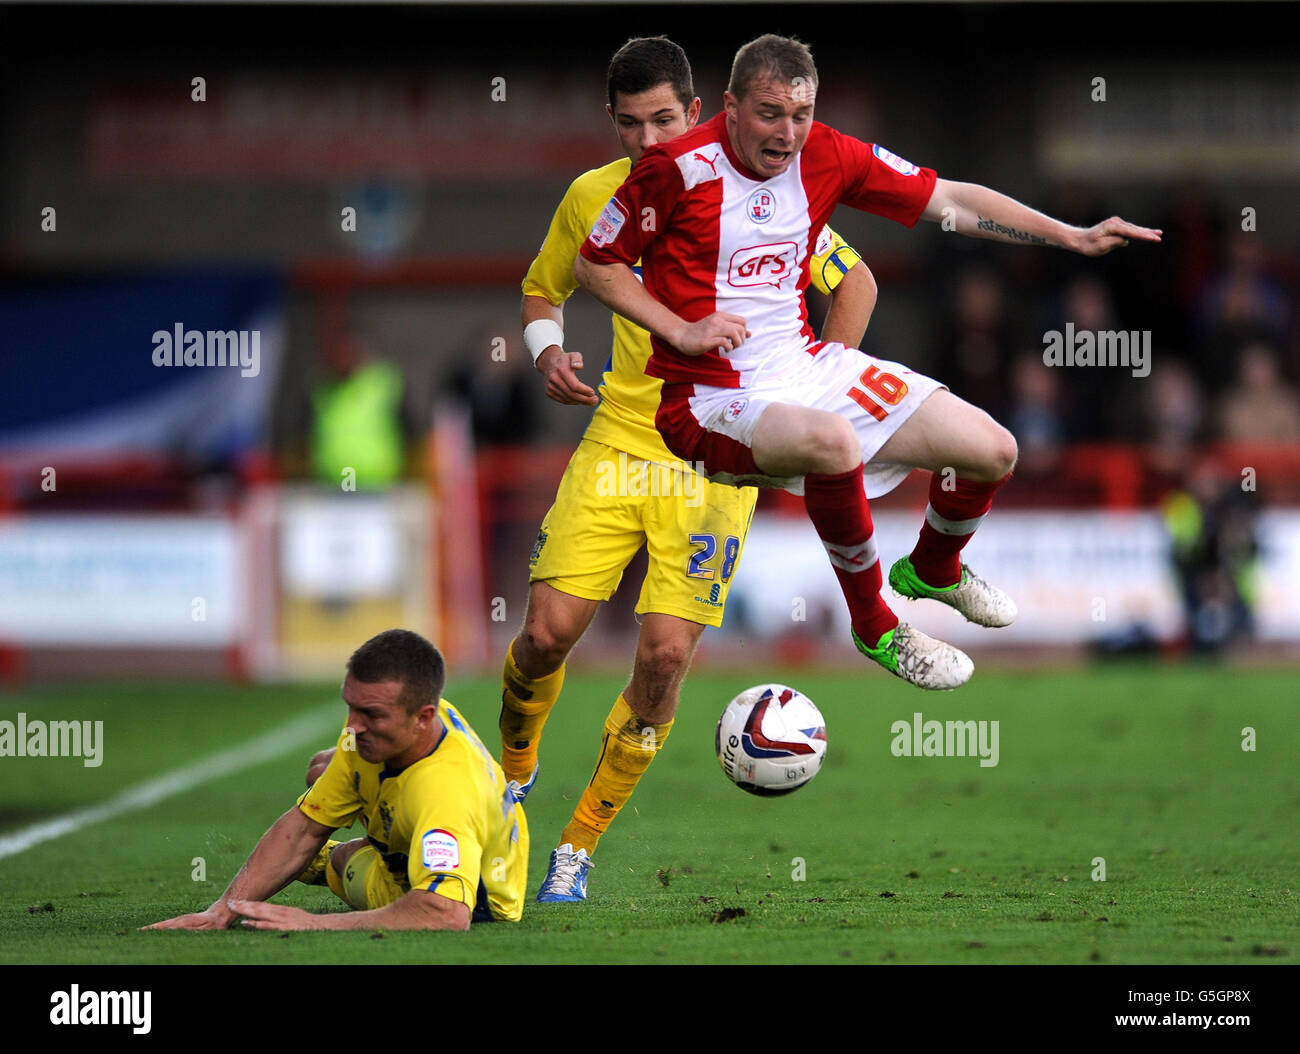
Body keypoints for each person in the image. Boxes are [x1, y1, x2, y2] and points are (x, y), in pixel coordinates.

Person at [576, 33, 1162, 691]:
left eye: (801, 115)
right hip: (706, 397)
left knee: (993, 449)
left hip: (804, 364)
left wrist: (1070, 235)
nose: (788, 132)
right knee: (834, 442)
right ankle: (876, 624)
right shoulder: (676, 168)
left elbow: (951, 201)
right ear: (730, 107)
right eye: (771, 114)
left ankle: (934, 567)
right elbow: (594, 264)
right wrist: (679, 331)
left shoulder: (826, 152)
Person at [506, 36, 879, 903]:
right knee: (545, 635)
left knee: (665, 659)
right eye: (631, 124)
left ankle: (578, 847)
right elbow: (542, 287)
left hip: (711, 455)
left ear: (697, 110)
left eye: (664, 120)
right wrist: (546, 350)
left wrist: (807, 392)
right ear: (613, 121)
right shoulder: (593, 198)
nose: (648, 140)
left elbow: (852, 284)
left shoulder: (752, 189)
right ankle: (513, 772)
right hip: (622, 440)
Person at [144, 629, 527, 931]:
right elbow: (303, 828)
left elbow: (445, 914)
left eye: (371, 715)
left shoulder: (446, 793)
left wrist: (313, 922)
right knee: (322, 769)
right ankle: (352, 834)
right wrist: (221, 910)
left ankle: (328, 861)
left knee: (347, 861)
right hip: (423, 816)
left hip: (477, 901)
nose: (353, 727)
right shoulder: (408, 714)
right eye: (350, 707)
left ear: (423, 718)